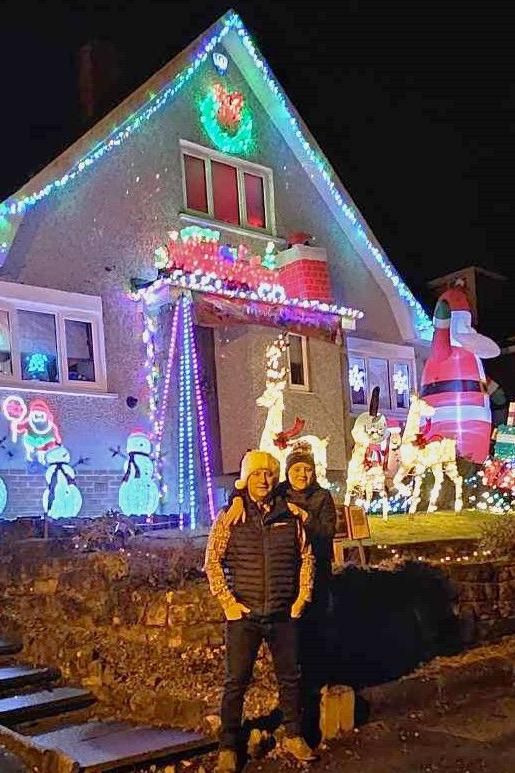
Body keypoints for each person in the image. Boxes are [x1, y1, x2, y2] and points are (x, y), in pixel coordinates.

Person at [204, 450, 316, 773]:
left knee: (291, 677)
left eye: (269, 474)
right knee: (236, 682)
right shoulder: (232, 516)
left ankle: (294, 735)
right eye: (257, 475)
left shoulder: (289, 516)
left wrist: (302, 598)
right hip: (245, 616)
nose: (264, 480)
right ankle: (228, 746)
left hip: (283, 614)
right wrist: (228, 603)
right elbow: (212, 561)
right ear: (247, 479)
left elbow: (306, 556)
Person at [276, 446, 337, 743]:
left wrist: (304, 517)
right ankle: (291, 687)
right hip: (285, 574)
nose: (302, 474)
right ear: (288, 472)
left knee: (316, 628)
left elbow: (327, 533)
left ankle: (317, 683)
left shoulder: (322, 497)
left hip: (317, 574)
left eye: (307, 469)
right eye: (297, 469)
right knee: (288, 632)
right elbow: (246, 494)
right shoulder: (279, 494)